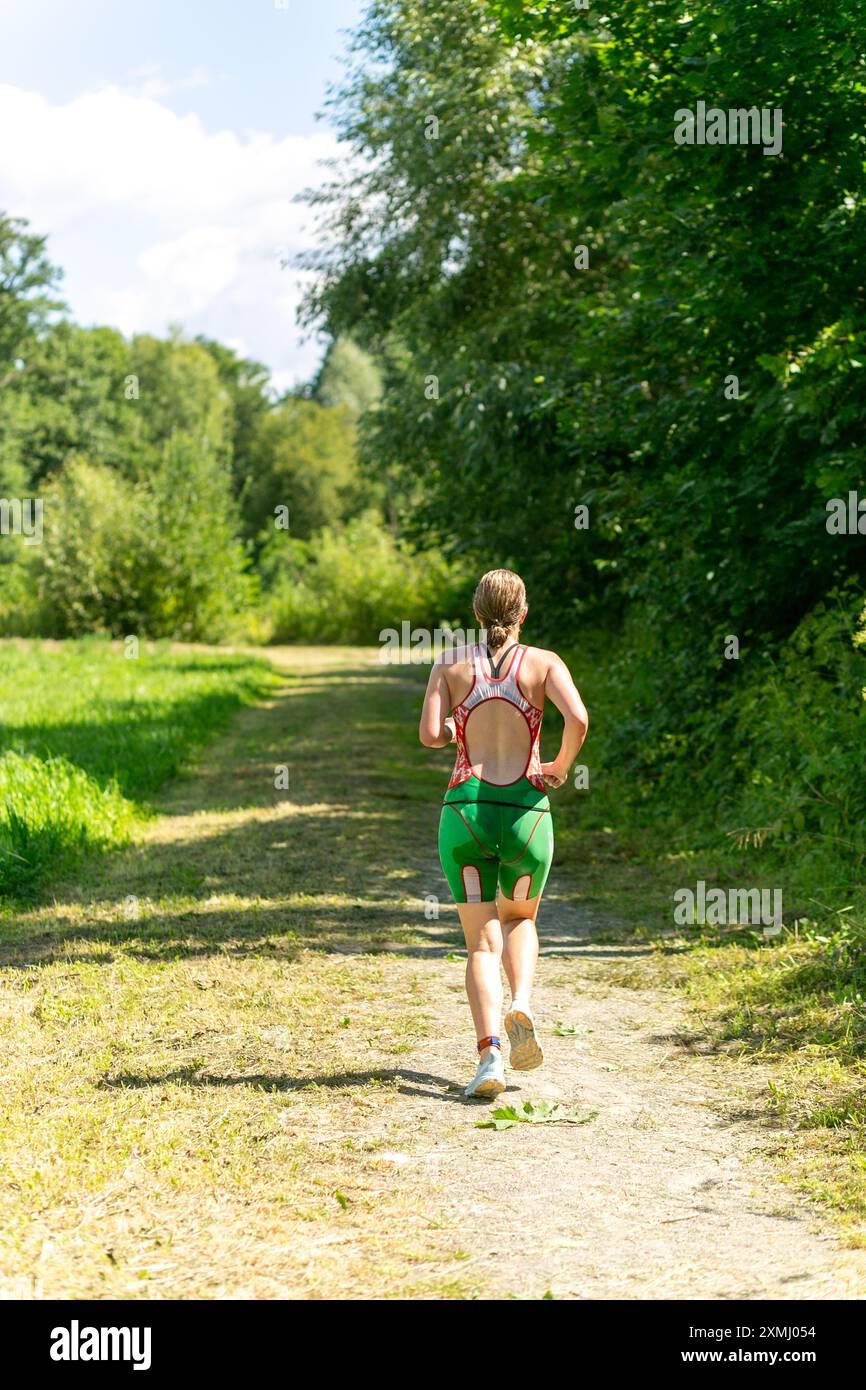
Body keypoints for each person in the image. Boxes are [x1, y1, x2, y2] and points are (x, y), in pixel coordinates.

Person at [419, 568, 589, 1098]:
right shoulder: (544, 663)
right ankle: (522, 1005)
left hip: (466, 813)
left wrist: (452, 730)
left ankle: (490, 1055)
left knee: (479, 943)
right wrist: (558, 766)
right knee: (520, 920)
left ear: (475, 613)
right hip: (526, 816)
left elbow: (429, 735)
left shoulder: (450, 663)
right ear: (524, 613)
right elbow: (579, 718)